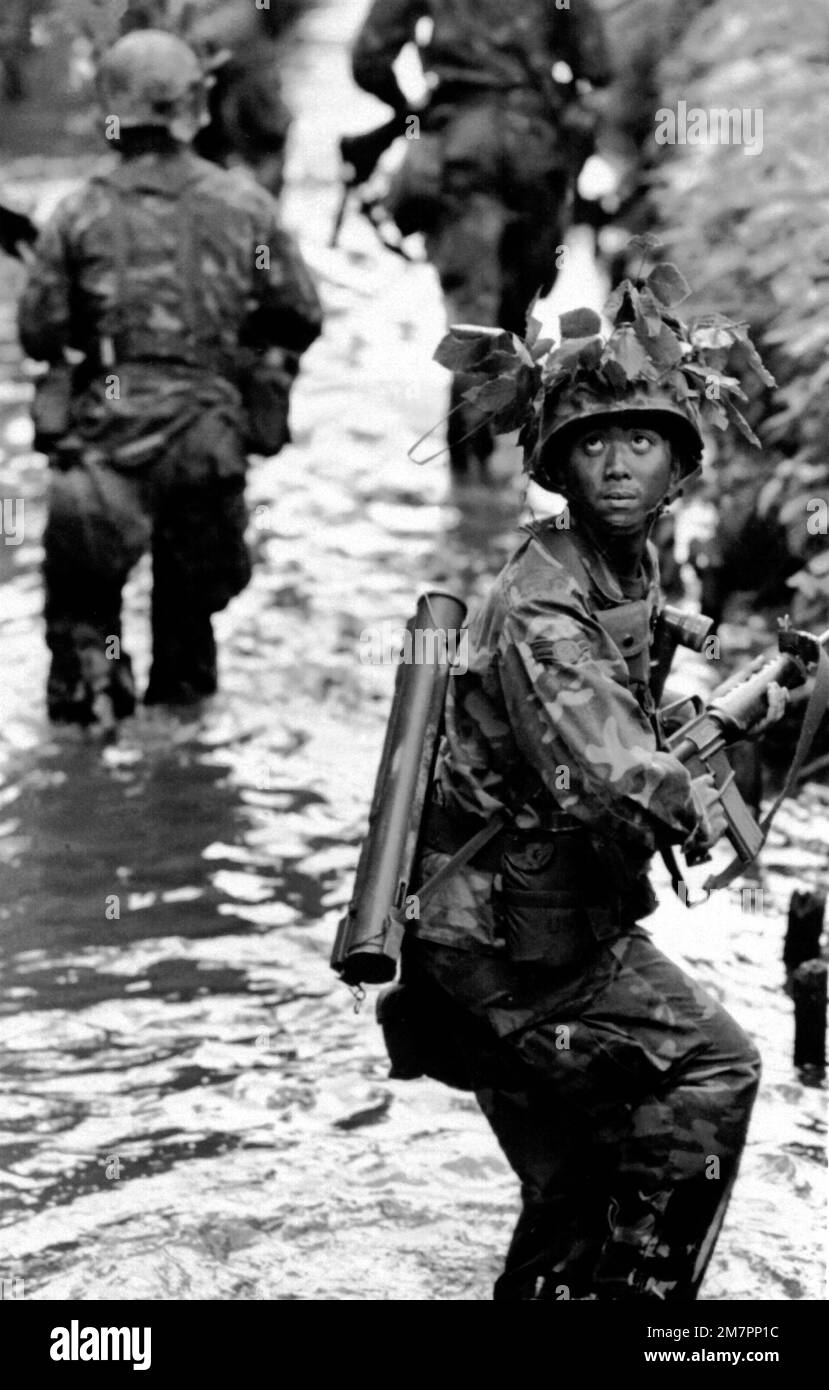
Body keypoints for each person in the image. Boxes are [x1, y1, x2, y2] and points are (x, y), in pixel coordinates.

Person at [400, 267, 781, 1299]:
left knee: (572, 1185)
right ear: (559, 466)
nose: (616, 464)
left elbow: (630, 730)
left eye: (640, 441)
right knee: (715, 1067)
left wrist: (738, 720)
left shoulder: (622, 567)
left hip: (510, 924)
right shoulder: (542, 598)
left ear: (679, 467)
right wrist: (728, 783)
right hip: (499, 948)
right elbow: (611, 784)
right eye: (593, 444)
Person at [18, 28, 322, 726]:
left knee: (81, 647)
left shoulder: (76, 212)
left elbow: (40, 333)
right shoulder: (248, 207)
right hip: (205, 449)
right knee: (188, 658)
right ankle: (185, 797)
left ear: (113, 110)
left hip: (100, 453)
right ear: (194, 106)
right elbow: (297, 314)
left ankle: (94, 729)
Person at [349, 0, 612, 475]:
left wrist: (406, 109)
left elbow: (369, 60)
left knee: (472, 324)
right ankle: (500, 479)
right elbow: (599, 66)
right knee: (515, 318)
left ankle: (470, 486)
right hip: (537, 149)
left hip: (460, 148)